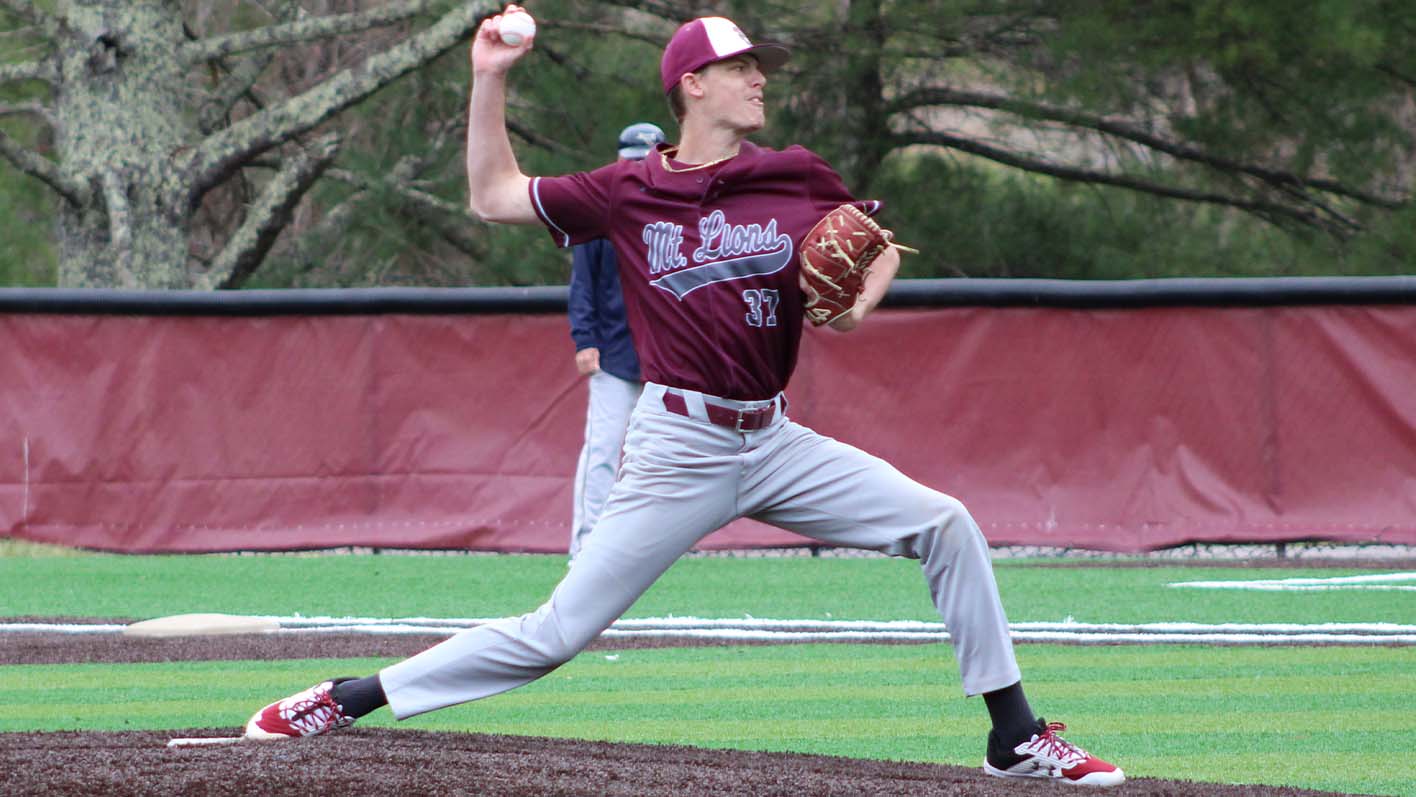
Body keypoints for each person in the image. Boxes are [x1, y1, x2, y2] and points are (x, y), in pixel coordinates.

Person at [243, 7, 1124, 788]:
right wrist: (487, 80)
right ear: (691, 84)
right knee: (556, 633)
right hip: (678, 445)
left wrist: (857, 304)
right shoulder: (626, 191)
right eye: (742, 68)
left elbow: (879, 242)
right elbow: (491, 196)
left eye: (761, 67)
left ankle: (1013, 736)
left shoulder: (794, 176)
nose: (759, 79)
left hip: (776, 442)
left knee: (946, 524)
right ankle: (345, 697)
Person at [566, 123, 665, 563]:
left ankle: (642, 550)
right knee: (603, 450)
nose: (637, 168)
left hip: (664, 353)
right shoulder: (597, 209)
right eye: (631, 161)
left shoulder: (676, 210)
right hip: (611, 350)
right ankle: (586, 549)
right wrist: (584, 338)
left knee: (658, 456)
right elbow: (582, 281)